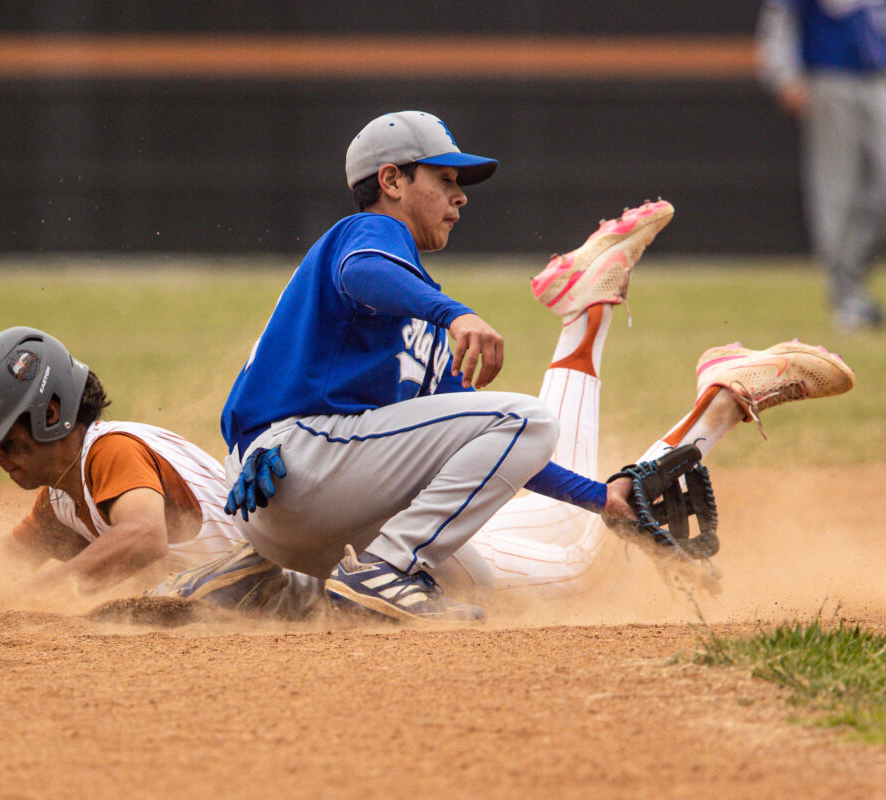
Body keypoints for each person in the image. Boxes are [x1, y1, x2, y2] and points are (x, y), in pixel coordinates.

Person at [152, 110, 857, 621]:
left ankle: (273, 584)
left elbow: (499, 453)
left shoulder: (418, 321)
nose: (460, 196)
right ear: (391, 179)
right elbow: (364, 271)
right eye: (445, 179)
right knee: (533, 430)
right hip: (302, 469)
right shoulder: (368, 238)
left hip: (302, 511)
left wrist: (601, 500)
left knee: (481, 564)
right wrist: (453, 313)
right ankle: (386, 569)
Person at [0, 327, 243, 592]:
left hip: (264, 578)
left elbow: (145, 536)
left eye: (4, 441)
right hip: (230, 595)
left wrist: (32, 594)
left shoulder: (112, 450)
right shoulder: (61, 498)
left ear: (49, 415)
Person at [756, 0, 886, 332]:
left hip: (880, 77)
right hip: (831, 77)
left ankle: (852, 280)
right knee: (837, 191)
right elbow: (782, 16)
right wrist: (784, 74)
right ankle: (847, 297)